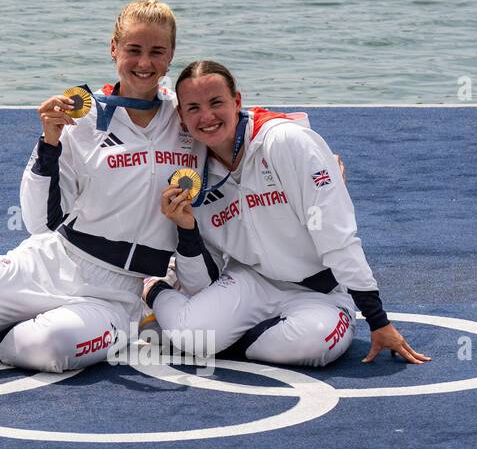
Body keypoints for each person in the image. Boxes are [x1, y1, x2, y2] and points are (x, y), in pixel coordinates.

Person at [0, 0, 197, 372]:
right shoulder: (83, 119)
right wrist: (49, 141)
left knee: (51, 349)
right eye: (133, 50)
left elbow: (233, 121)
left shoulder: (187, 119)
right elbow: (39, 223)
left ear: (171, 56)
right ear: (113, 48)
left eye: (157, 52)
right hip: (51, 263)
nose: (145, 63)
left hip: (116, 296)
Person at [146, 60, 429, 366]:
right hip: (250, 279)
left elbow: (338, 238)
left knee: (314, 348)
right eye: (194, 108)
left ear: (237, 101)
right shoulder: (192, 172)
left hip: (320, 291)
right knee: (194, 338)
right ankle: (152, 287)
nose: (207, 117)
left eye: (217, 102)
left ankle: (228, 346)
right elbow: (202, 285)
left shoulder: (286, 142)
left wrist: (377, 320)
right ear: (182, 118)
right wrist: (187, 231)